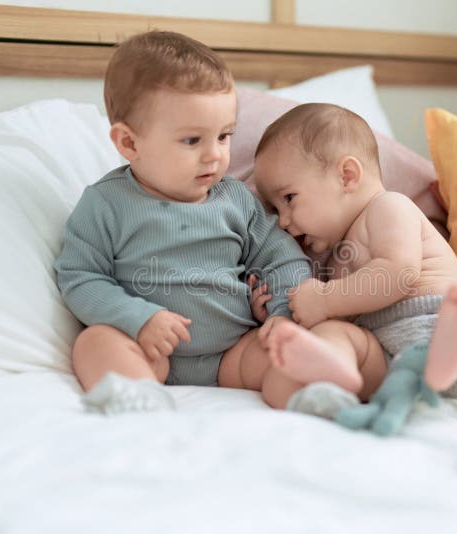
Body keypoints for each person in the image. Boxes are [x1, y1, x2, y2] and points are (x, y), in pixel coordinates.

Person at [54, 31, 388, 414]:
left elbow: (283, 261)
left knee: (288, 353)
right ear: (130, 143)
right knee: (95, 342)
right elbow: (80, 277)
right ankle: (137, 396)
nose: (214, 155)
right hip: (148, 348)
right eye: (192, 141)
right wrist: (137, 317)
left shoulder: (238, 200)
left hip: (235, 351)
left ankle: (309, 397)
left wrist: (281, 317)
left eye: (225, 136)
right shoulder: (105, 204)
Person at [252, 103, 457, 402]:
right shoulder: (334, 257)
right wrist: (285, 317)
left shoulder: (389, 206)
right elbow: (338, 309)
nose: (283, 221)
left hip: (447, 331)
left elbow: (399, 274)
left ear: (348, 176)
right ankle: (331, 376)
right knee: (334, 335)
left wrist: (325, 299)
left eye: (289, 198)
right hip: (392, 365)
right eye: (275, 209)